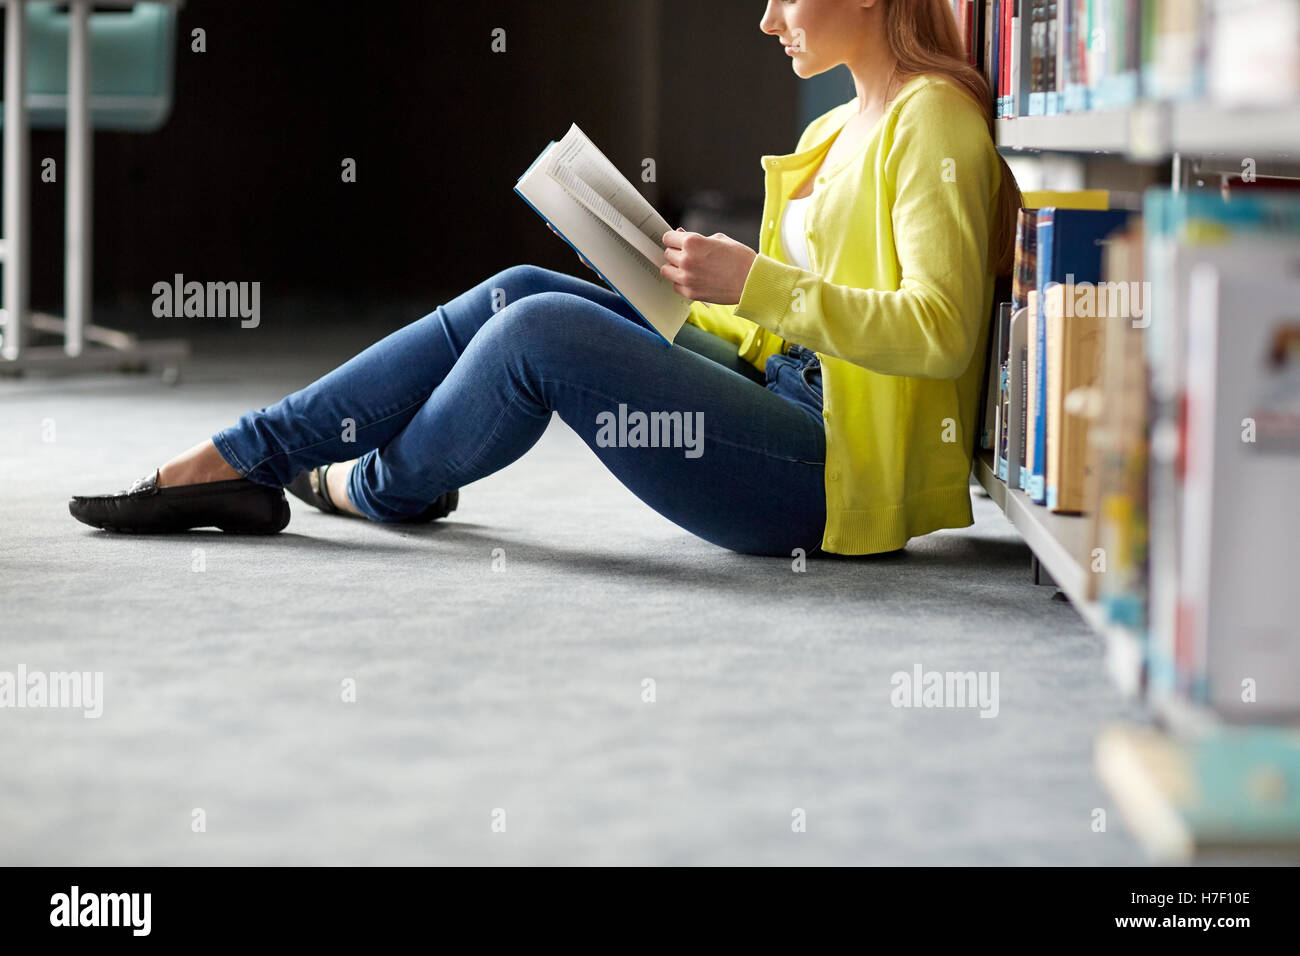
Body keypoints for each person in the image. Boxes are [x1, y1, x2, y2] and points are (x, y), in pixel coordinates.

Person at [69, 0, 1021, 558]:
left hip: (831, 469)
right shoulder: (831, 127)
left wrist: (755, 281)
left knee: (537, 340)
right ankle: (249, 454)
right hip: (781, 387)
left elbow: (941, 332)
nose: (767, 17)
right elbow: (776, 327)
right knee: (520, 289)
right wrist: (672, 285)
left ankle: (368, 486)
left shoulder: (934, 120)